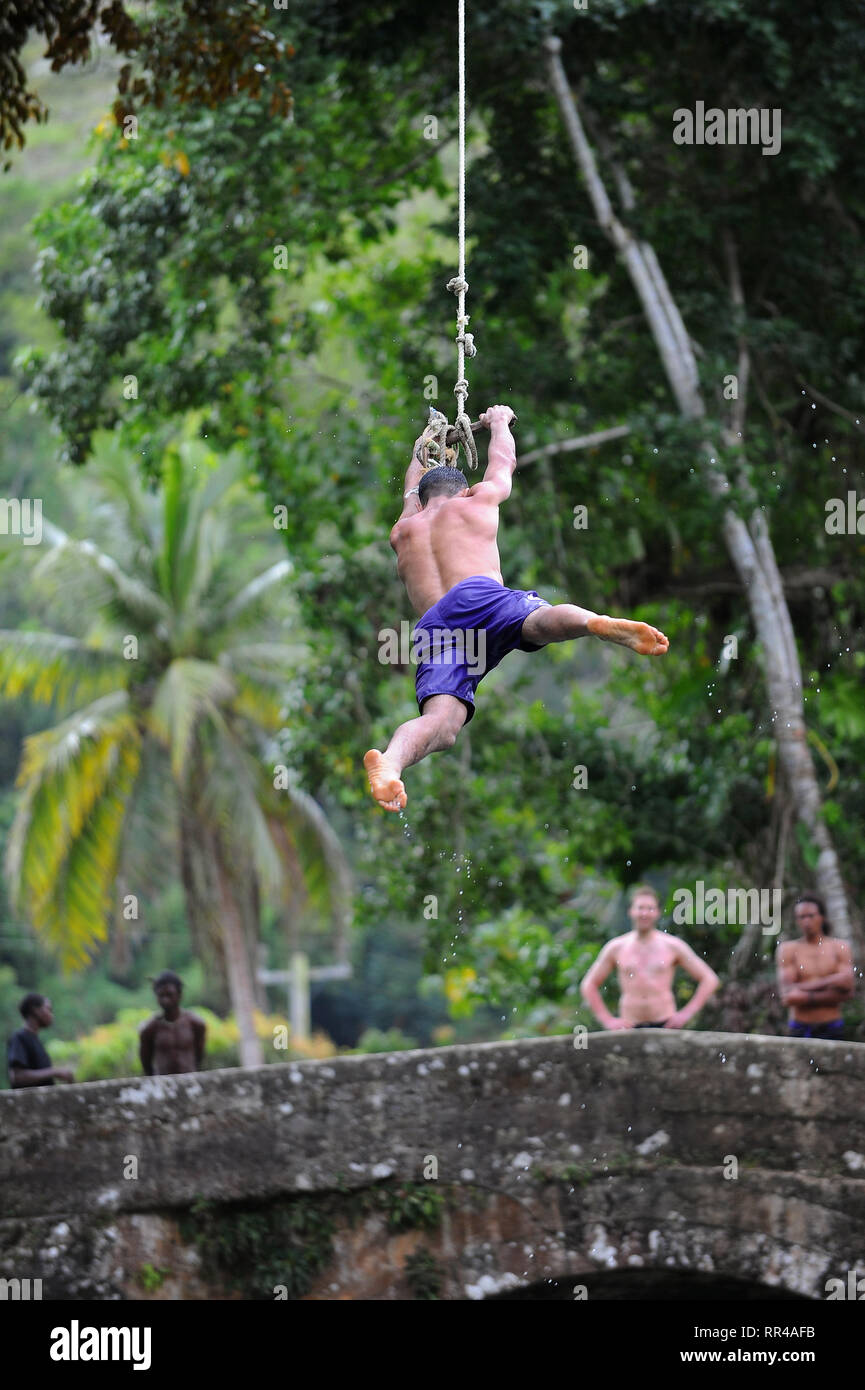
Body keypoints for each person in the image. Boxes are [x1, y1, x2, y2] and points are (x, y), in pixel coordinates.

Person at [363, 404, 669, 810]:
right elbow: (502, 462)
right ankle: (594, 622)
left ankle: (392, 762)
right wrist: (499, 422)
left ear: (420, 501)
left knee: (443, 724)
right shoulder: (478, 501)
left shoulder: (403, 531)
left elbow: (410, 489)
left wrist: (422, 449)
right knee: (537, 621)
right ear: (463, 489)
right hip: (478, 595)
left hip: (435, 626)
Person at [580, 885, 720, 1030]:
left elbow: (709, 979)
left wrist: (686, 1014)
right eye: (640, 908)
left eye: (650, 908)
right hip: (629, 1026)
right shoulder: (616, 947)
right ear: (631, 911)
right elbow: (588, 984)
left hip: (666, 1024)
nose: (644, 913)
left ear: (657, 912)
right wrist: (607, 1020)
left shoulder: (673, 946)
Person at [775, 895, 854, 1040]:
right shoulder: (788, 949)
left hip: (832, 1025)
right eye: (801, 917)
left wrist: (804, 994)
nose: (806, 921)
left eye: (810, 916)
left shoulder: (839, 947)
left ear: (822, 917)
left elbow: (847, 990)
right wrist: (833, 981)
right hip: (800, 1026)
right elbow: (788, 996)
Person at [139, 971, 206, 1076]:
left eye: (169, 995)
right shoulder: (150, 1029)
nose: (165, 1000)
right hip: (162, 1086)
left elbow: (199, 1056)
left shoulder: (196, 1024)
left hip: (190, 1082)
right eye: (161, 995)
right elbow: (146, 1064)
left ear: (179, 995)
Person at [7, 993, 74, 1088]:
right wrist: (55, 1071)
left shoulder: (36, 1040)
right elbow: (17, 1077)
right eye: (49, 1009)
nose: (51, 1015)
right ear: (35, 1010)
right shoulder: (19, 1037)